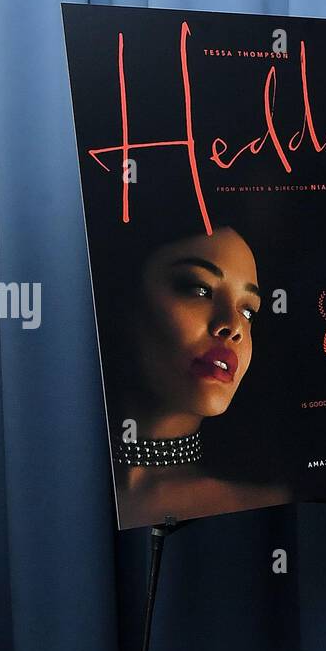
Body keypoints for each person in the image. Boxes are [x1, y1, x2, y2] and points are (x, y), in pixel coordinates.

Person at [100, 221, 292, 528]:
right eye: (199, 289)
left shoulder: (274, 501)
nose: (232, 326)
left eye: (248, 311)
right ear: (125, 298)